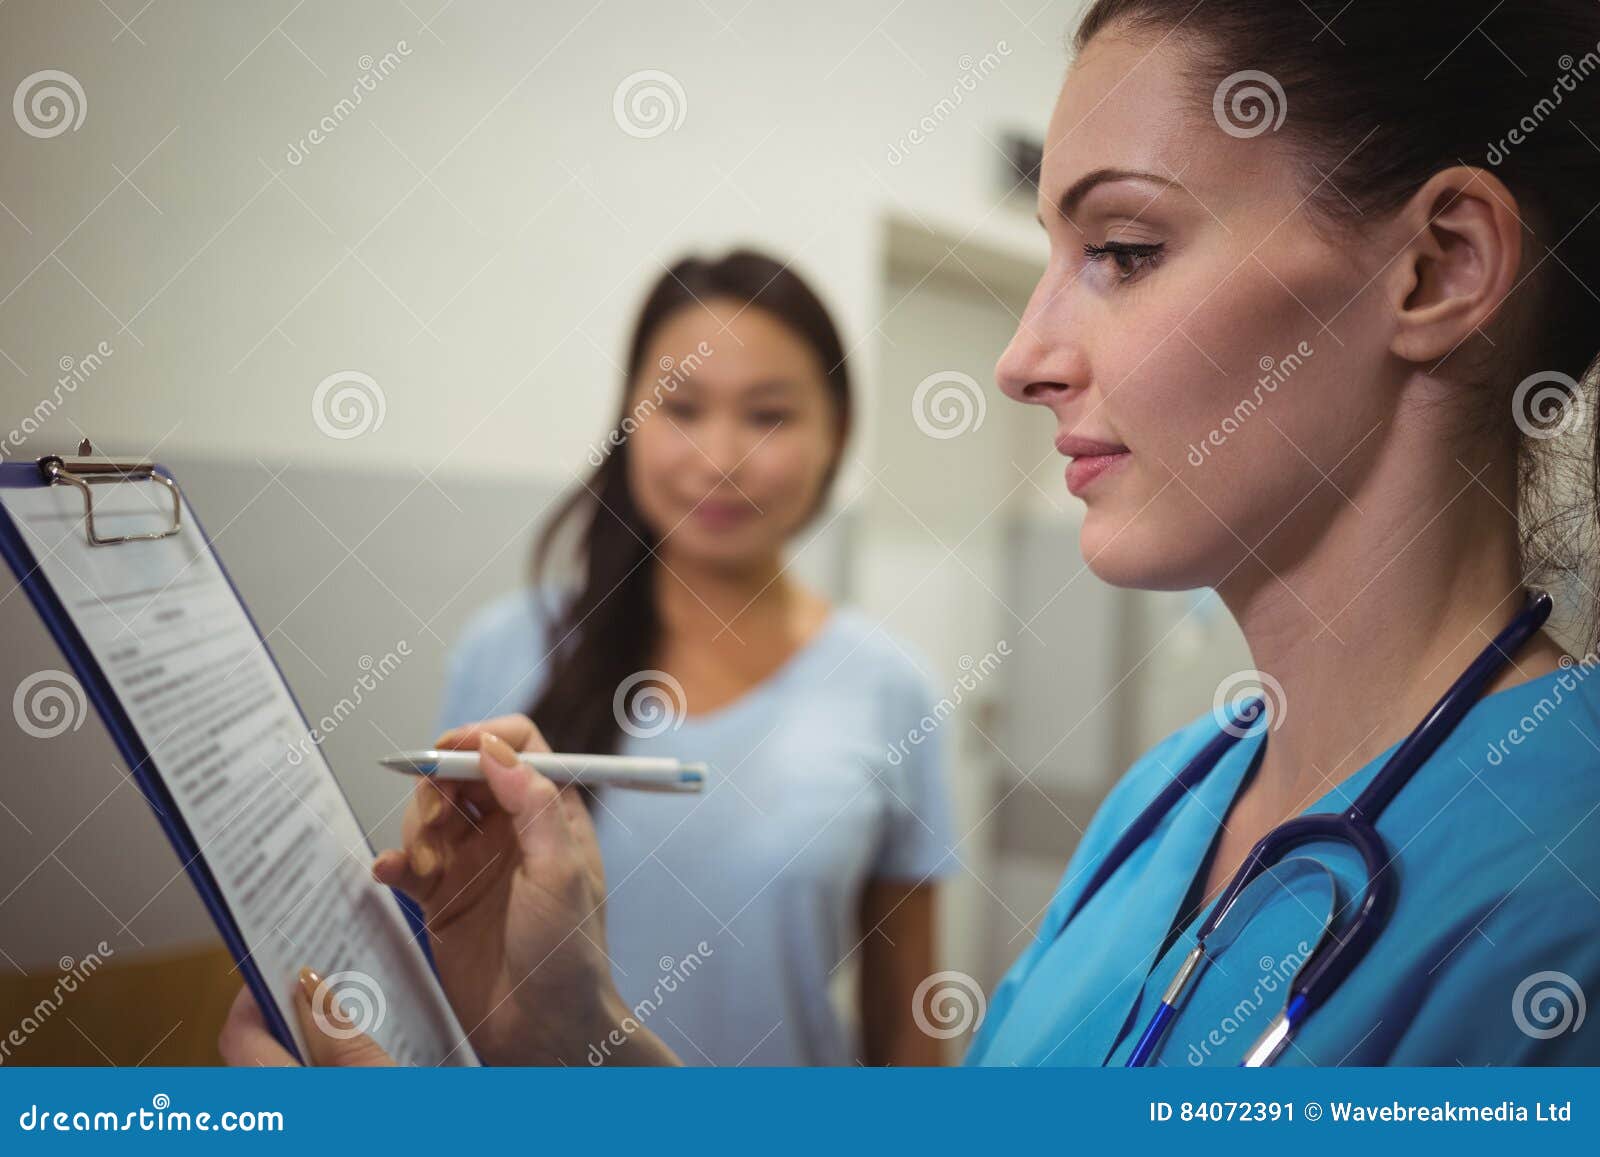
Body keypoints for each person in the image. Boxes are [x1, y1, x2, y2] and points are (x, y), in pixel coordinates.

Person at [221, 0, 1600, 1068]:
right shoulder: (1171, 801)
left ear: (1438, 268)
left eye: (1121, 250)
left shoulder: (1561, 898)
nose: (1023, 357)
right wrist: (562, 1049)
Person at [425, 250, 951, 1066]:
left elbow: (907, 1024)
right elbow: (447, 960)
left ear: (835, 434)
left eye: (768, 415)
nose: (720, 457)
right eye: (682, 408)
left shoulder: (890, 688)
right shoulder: (504, 652)